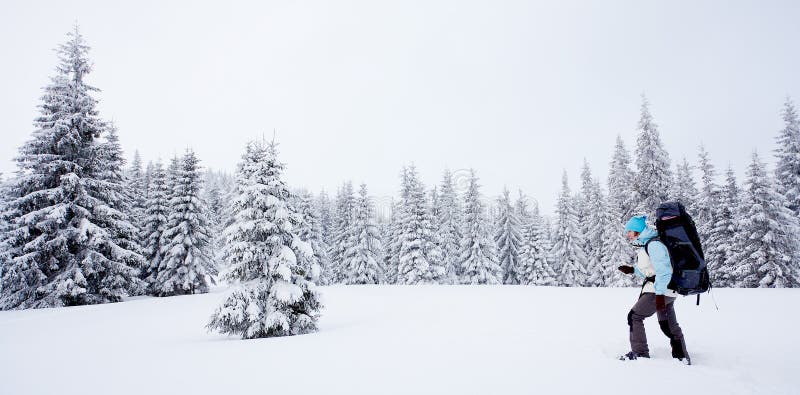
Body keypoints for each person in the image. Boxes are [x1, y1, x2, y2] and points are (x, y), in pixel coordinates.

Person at [617, 214, 691, 365]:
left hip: (659, 290)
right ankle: (681, 356)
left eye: (630, 231)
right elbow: (651, 270)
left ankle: (640, 353)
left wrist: (659, 295)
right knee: (669, 325)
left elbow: (663, 272)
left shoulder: (654, 245)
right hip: (667, 291)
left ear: (638, 230)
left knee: (634, 316)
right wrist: (632, 270)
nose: (628, 234)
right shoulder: (648, 244)